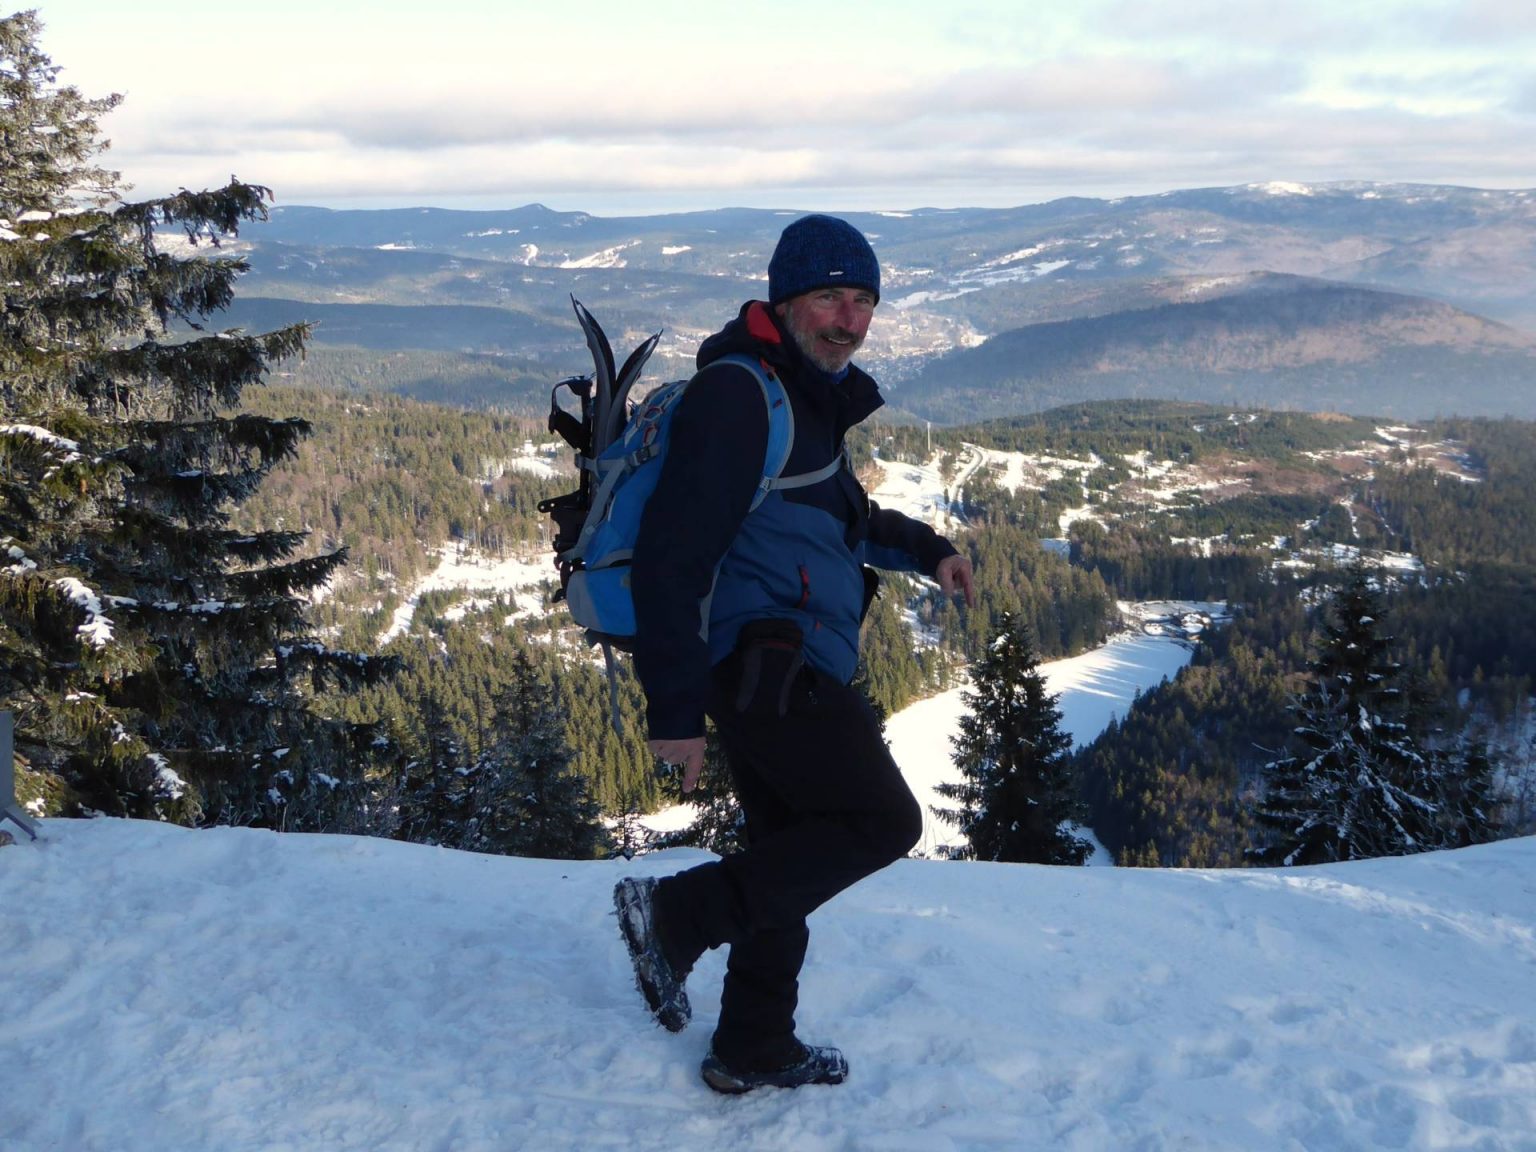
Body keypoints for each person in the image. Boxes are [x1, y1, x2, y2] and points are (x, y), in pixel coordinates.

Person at [612, 214, 975, 1095]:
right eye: (828, 298)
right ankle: (677, 913)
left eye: (863, 301)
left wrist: (929, 549)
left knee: (791, 852)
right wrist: (673, 711)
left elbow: (841, 518)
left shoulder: (800, 397)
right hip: (763, 662)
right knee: (881, 823)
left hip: (785, 655)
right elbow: (673, 556)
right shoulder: (742, 396)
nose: (848, 319)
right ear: (786, 299)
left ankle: (753, 1042)